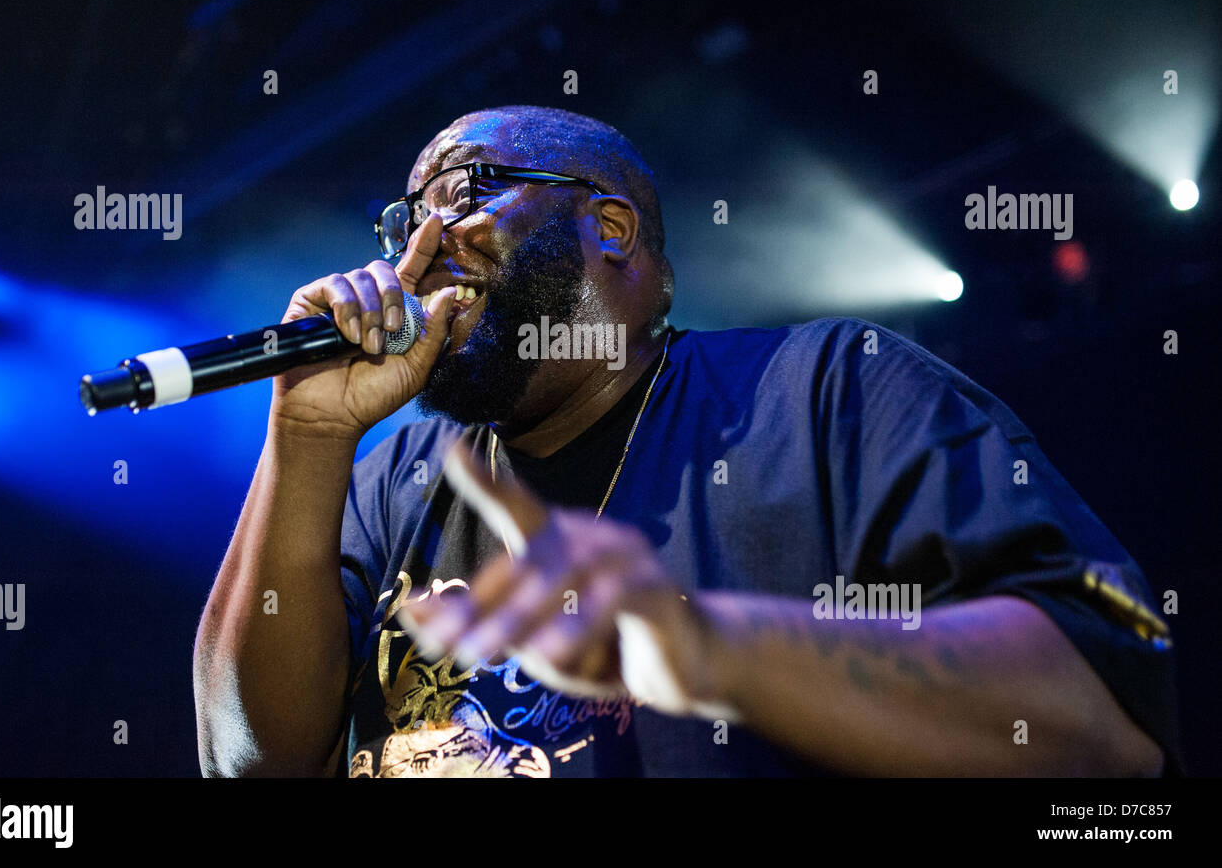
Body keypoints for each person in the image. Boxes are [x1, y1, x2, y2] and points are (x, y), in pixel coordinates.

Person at [193, 105, 1180, 778]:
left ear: (610, 224)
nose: (416, 247)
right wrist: (306, 433)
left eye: (465, 192)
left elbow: (1095, 727)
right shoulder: (394, 481)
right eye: (402, 218)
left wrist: (701, 641)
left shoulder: (830, 393)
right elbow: (245, 759)